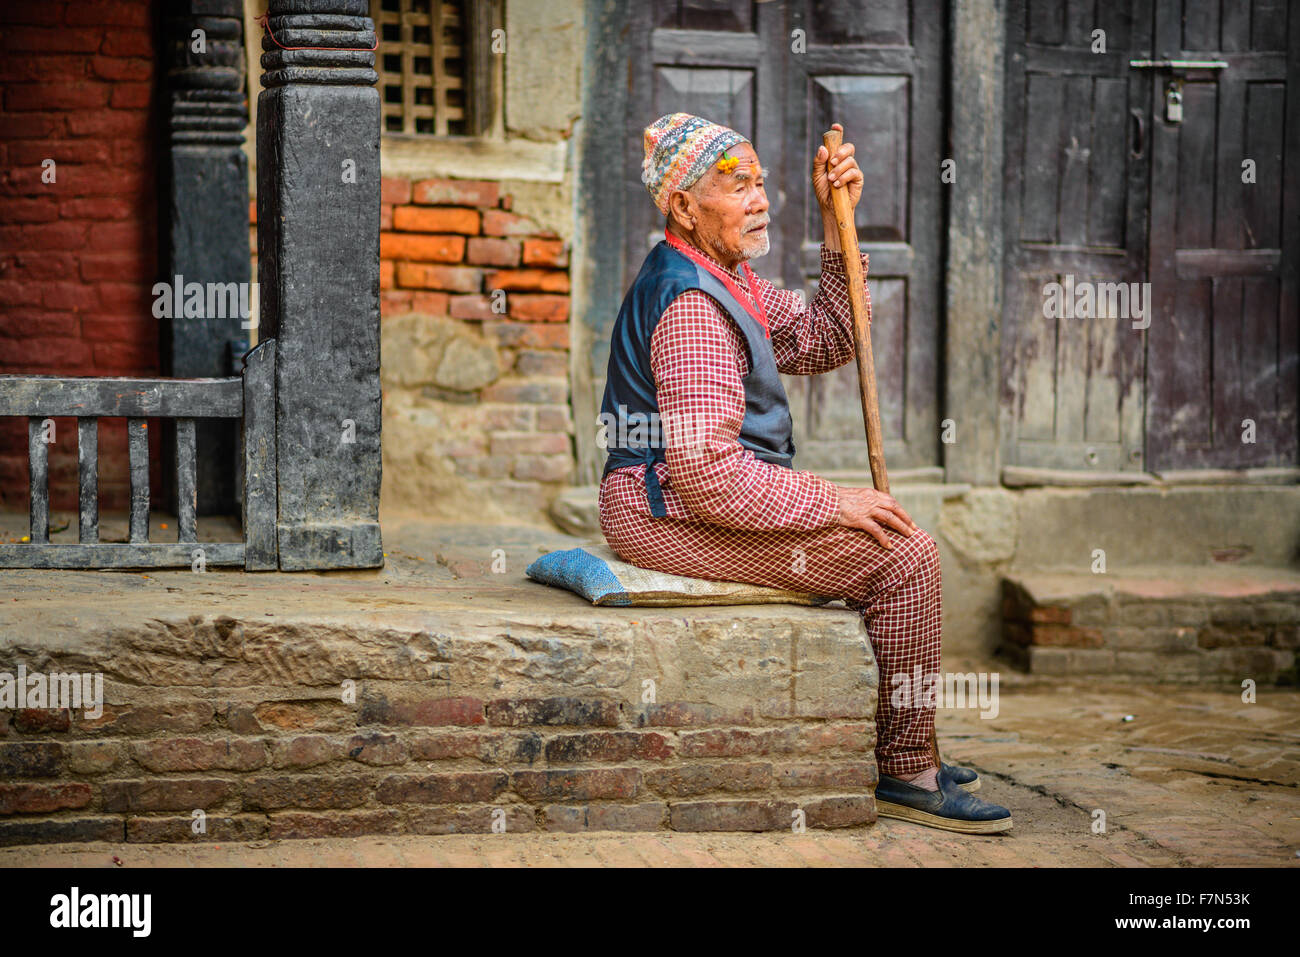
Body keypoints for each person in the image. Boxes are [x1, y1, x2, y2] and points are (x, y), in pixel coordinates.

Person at [597, 112, 1011, 834]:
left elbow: (830, 334)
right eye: (736, 186)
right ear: (684, 206)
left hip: (687, 497)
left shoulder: (733, 279)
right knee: (905, 557)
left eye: (761, 183)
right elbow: (709, 478)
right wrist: (832, 502)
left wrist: (835, 220)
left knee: (894, 543)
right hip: (662, 509)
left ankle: (907, 748)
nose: (759, 198)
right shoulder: (694, 302)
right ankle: (906, 770)